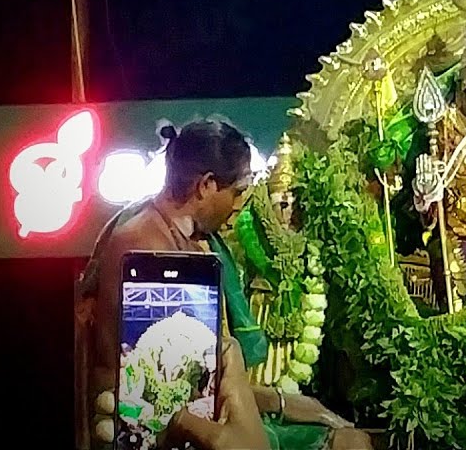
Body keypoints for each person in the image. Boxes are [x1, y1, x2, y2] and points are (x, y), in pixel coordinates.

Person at [81, 120, 369, 450]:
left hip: (190, 416)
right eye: (237, 192)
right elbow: (175, 395)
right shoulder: (147, 246)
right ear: (206, 185)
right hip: (159, 431)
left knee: (348, 437)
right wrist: (282, 403)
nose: (239, 205)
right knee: (349, 444)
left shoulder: (185, 237)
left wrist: (288, 403)